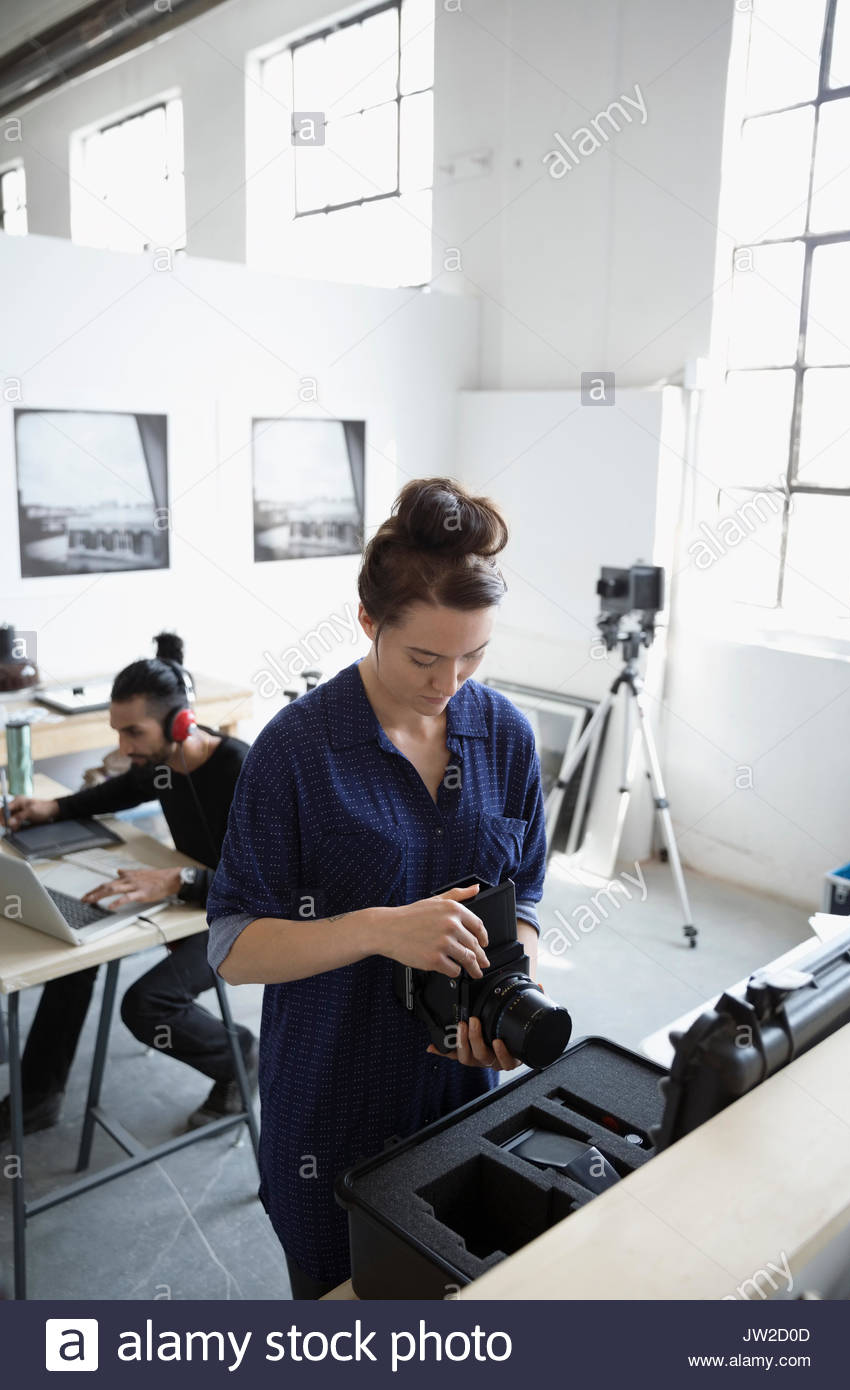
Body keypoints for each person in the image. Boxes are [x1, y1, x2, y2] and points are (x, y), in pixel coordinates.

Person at [207, 477, 547, 1298]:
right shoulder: (295, 753)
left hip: (465, 1095)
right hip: (332, 1109)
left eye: (474, 656)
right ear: (368, 622)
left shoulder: (504, 735)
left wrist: (514, 984)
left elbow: (526, 899)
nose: (449, 682)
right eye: (425, 657)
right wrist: (376, 929)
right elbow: (232, 947)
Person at [0, 632, 258, 1142]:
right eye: (118, 732)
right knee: (75, 950)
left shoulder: (243, 770)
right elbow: (122, 788)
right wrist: (56, 807)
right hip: (186, 903)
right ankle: (37, 1099)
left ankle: (241, 1055)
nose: (122, 747)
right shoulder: (162, 764)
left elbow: (269, 882)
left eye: (133, 732)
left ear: (179, 722)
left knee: (148, 1004)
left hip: (244, 918)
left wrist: (178, 879)